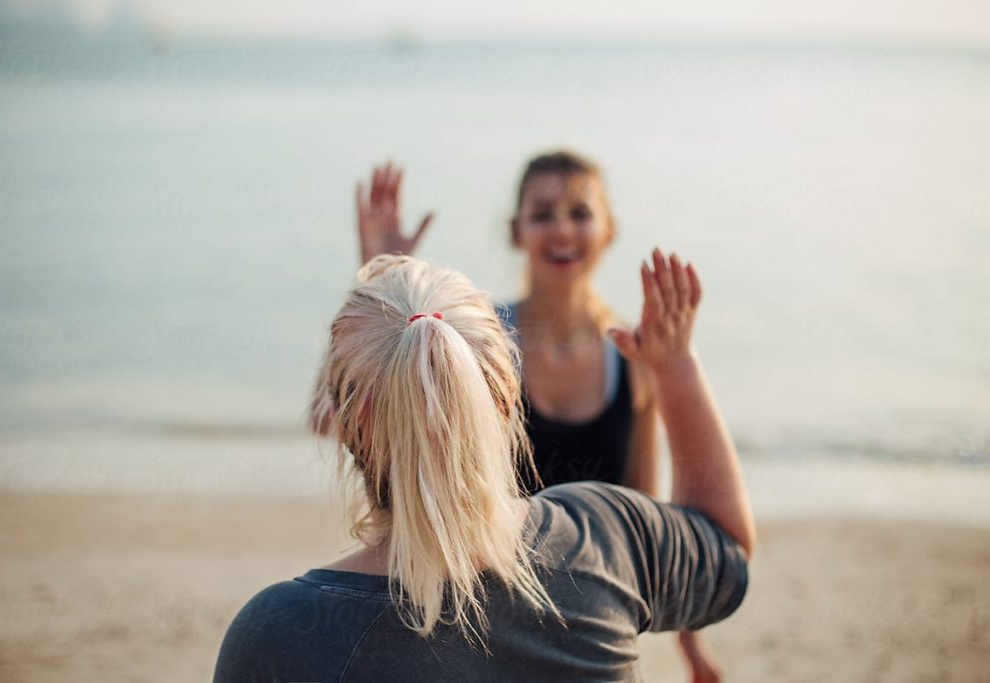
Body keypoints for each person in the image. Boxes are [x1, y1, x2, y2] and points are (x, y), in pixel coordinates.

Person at [213, 253, 755, 682]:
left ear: (343, 417)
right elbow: (726, 545)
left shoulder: (278, 635)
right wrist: (676, 363)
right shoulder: (602, 541)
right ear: (502, 397)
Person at [353, 154, 724, 679]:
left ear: (608, 229)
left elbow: (643, 512)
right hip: (481, 611)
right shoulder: (481, 339)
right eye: (543, 213)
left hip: (588, 620)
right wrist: (379, 273)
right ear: (517, 231)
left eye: (579, 212)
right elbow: (377, 426)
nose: (562, 229)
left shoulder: (634, 355)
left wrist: (691, 646)